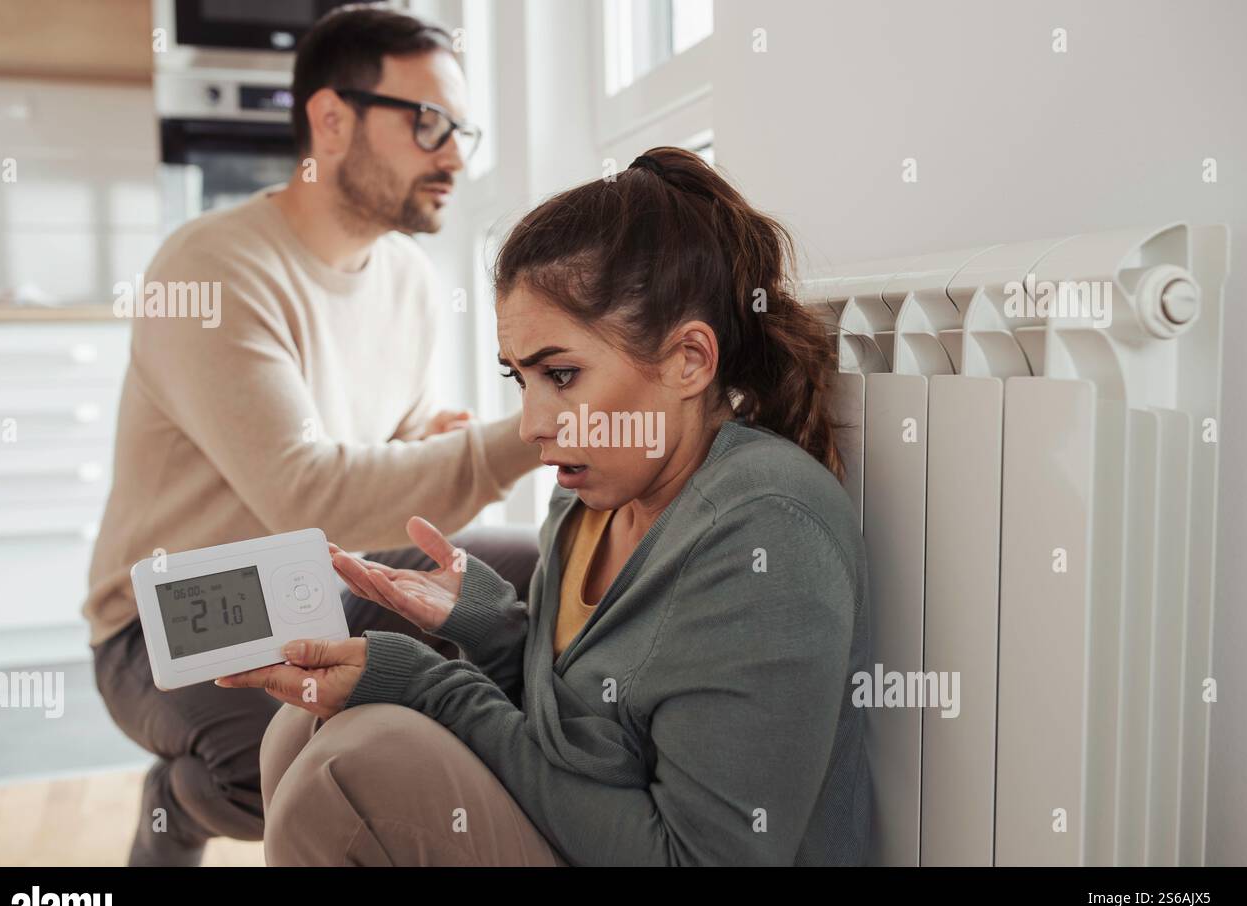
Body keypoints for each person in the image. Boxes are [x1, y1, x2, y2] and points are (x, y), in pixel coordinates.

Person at [231, 146, 873, 866]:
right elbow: (575, 720)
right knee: (299, 728)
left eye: (561, 375)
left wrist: (429, 684)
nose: (534, 423)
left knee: (354, 766)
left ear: (688, 360)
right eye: (521, 380)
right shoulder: (589, 500)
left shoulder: (767, 528)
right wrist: (491, 626)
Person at [85, 6, 541, 867]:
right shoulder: (212, 271)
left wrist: (426, 440)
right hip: (173, 608)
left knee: (524, 574)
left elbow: (384, 450)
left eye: (463, 129)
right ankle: (180, 806)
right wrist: (531, 430)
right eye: (429, 122)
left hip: (321, 568)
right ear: (330, 121)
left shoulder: (405, 277)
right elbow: (309, 492)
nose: (455, 154)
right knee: (285, 755)